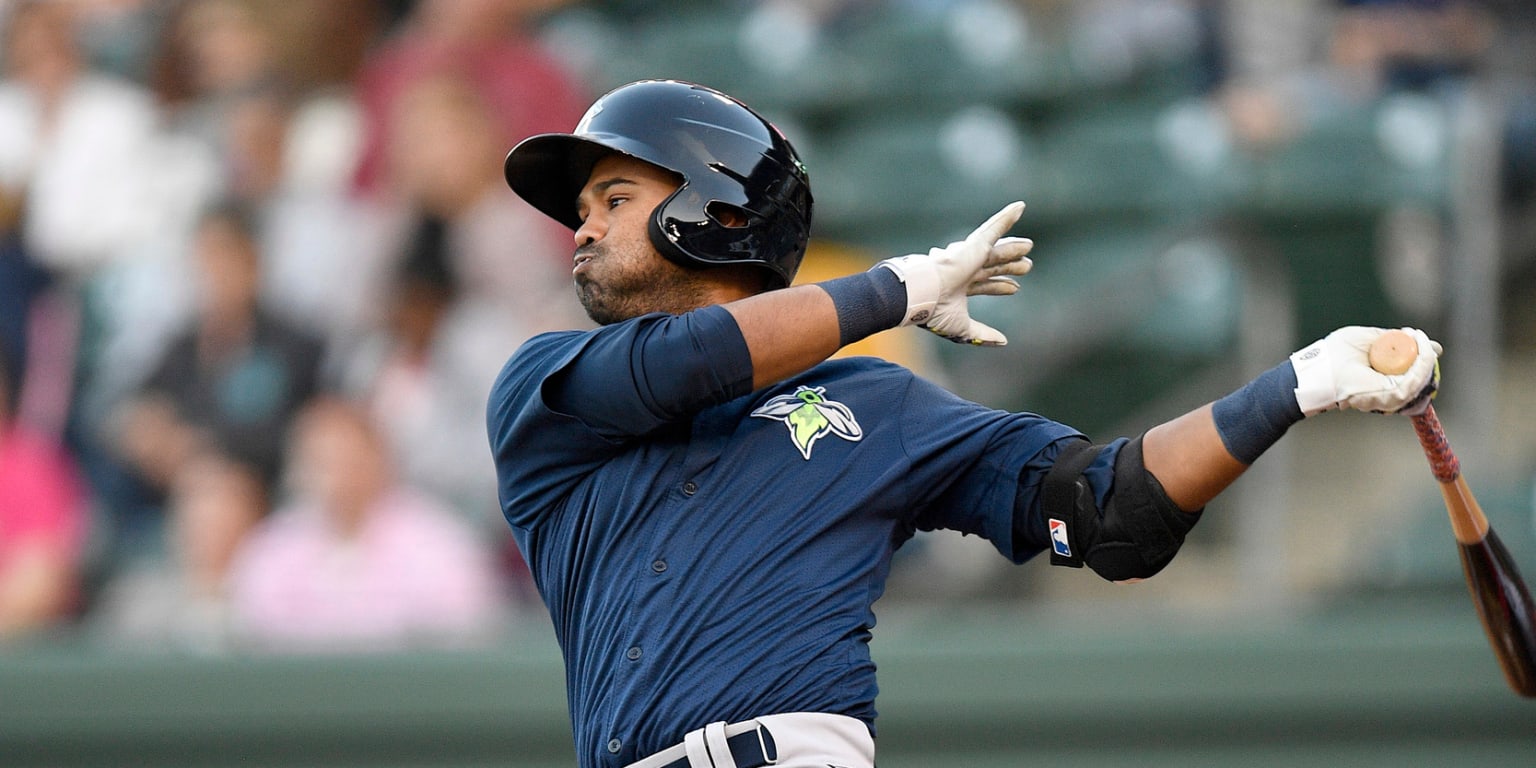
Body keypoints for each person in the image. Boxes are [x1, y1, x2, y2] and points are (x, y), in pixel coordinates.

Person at [485, 79, 1442, 768]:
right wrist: (898, 288)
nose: (582, 228)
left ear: (718, 213)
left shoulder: (875, 403)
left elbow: (1112, 513)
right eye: (583, 210)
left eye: (615, 199)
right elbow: (681, 363)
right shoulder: (546, 387)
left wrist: (1294, 385)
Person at [228, 396, 505, 653]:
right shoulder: (274, 546)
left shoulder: (437, 542)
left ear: (378, 458)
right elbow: (252, 632)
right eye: (316, 460)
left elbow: (463, 636)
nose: (330, 474)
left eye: (342, 458)